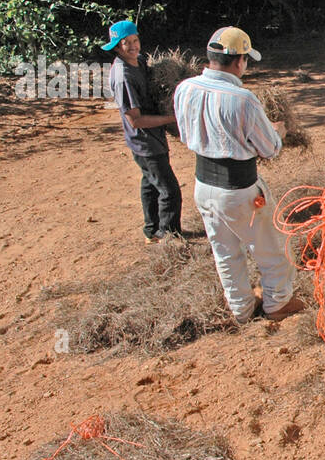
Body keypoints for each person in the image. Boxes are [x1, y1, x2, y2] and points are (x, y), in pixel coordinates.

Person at [174, 26, 305, 324]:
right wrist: (278, 131)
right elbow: (270, 149)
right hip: (239, 188)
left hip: (203, 185)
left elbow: (184, 134)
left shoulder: (185, 89)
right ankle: (277, 304)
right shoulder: (243, 99)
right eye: (246, 59)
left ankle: (241, 309)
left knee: (225, 252)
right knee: (273, 250)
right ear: (238, 61)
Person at [103, 19, 183, 244]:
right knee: (170, 191)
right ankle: (170, 237)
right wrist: (172, 119)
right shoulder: (123, 76)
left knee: (150, 183)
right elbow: (135, 120)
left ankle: (152, 230)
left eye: (135, 40)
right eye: (125, 43)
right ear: (117, 47)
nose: (133, 46)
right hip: (144, 141)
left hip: (153, 136)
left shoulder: (138, 61)